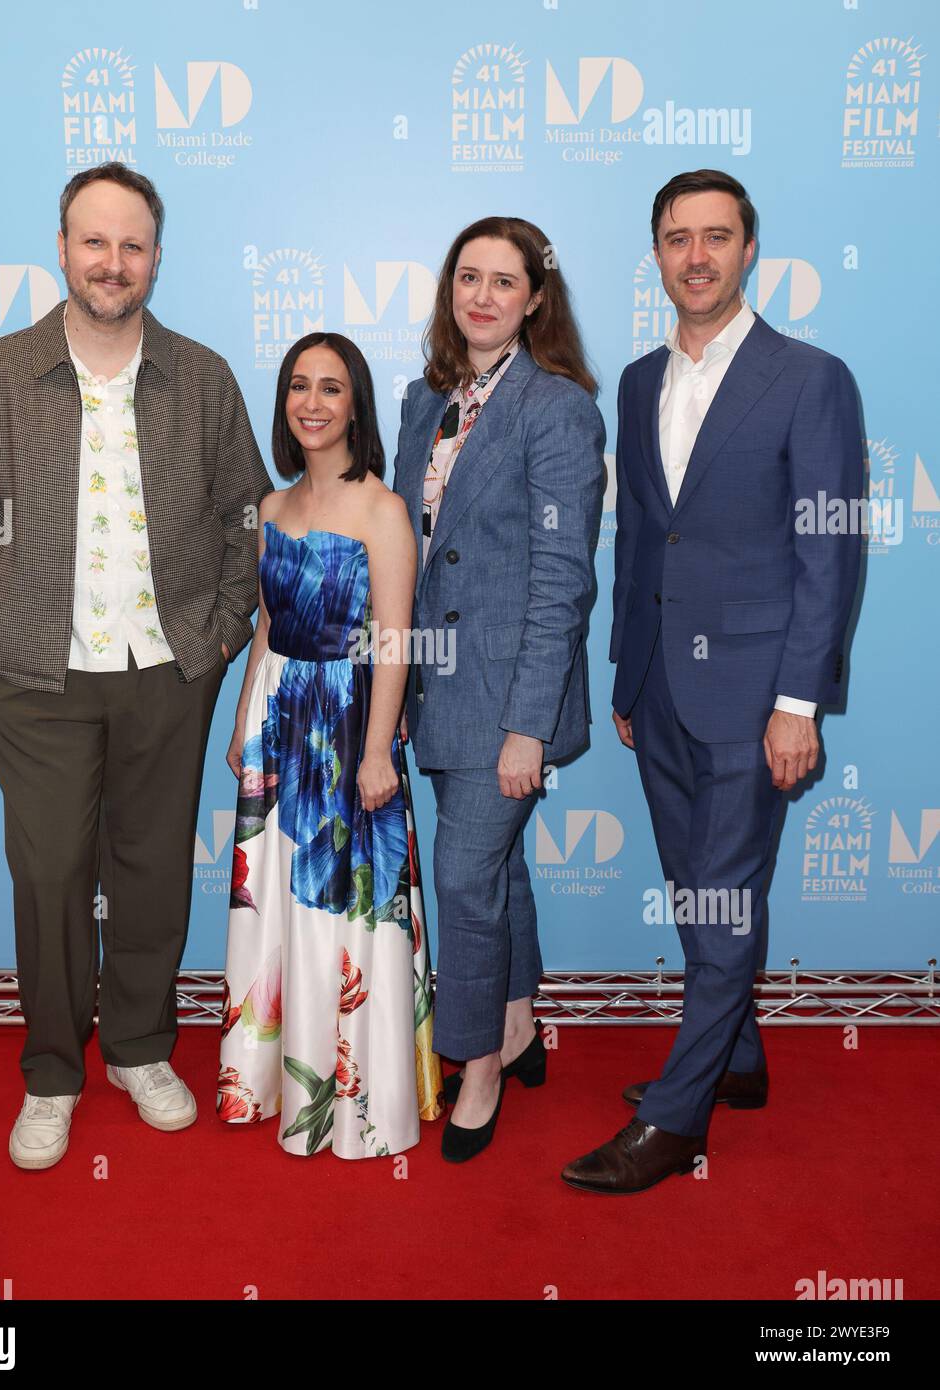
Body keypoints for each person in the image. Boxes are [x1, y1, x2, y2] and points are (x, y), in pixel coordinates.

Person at [0, 163, 272, 1170]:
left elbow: (245, 517)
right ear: (63, 249)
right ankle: (50, 1071)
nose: (111, 262)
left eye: (130, 245)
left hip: (168, 668)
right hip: (34, 675)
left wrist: (217, 635)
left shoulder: (200, 377)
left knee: (154, 868)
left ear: (155, 258)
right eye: (93, 241)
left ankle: (138, 1047)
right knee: (47, 874)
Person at [562, 170, 862, 1195]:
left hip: (752, 696)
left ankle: (674, 1121)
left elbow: (829, 552)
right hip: (658, 687)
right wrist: (625, 671)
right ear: (655, 254)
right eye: (676, 238)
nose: (695, 255)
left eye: (716, 237)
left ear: (747, 251)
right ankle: (734, 1056)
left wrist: (796, 703)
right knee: (698, 888)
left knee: (723, 897)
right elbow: (644, 537)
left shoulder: (808, 378)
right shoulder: (639, 381)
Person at [393, 217, 604, 1162]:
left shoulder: (557, 408)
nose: (482, 296)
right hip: (436, 692)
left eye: (503, 281)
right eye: (467, 277)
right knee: (499, 871)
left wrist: (527, 729)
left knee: (464, 882)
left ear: (534, 299)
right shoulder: (421, 402)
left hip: (509, 696)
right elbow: (407, 556)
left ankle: (474, 1063)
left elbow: (564, 580)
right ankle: (517, 1024)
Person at [218, 331, 443, 1158]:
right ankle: (269, 1076)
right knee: (278, 902)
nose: (312, 403)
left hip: (349, 727)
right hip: (279, 725)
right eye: (299, 387)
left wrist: (380, 750)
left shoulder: (382, 509)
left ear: (357, 405)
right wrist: (245, 722)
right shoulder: (274, 510)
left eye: (332, 388)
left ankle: (362, 1097)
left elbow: (395, 640)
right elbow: (268, 625)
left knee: (346, 911)